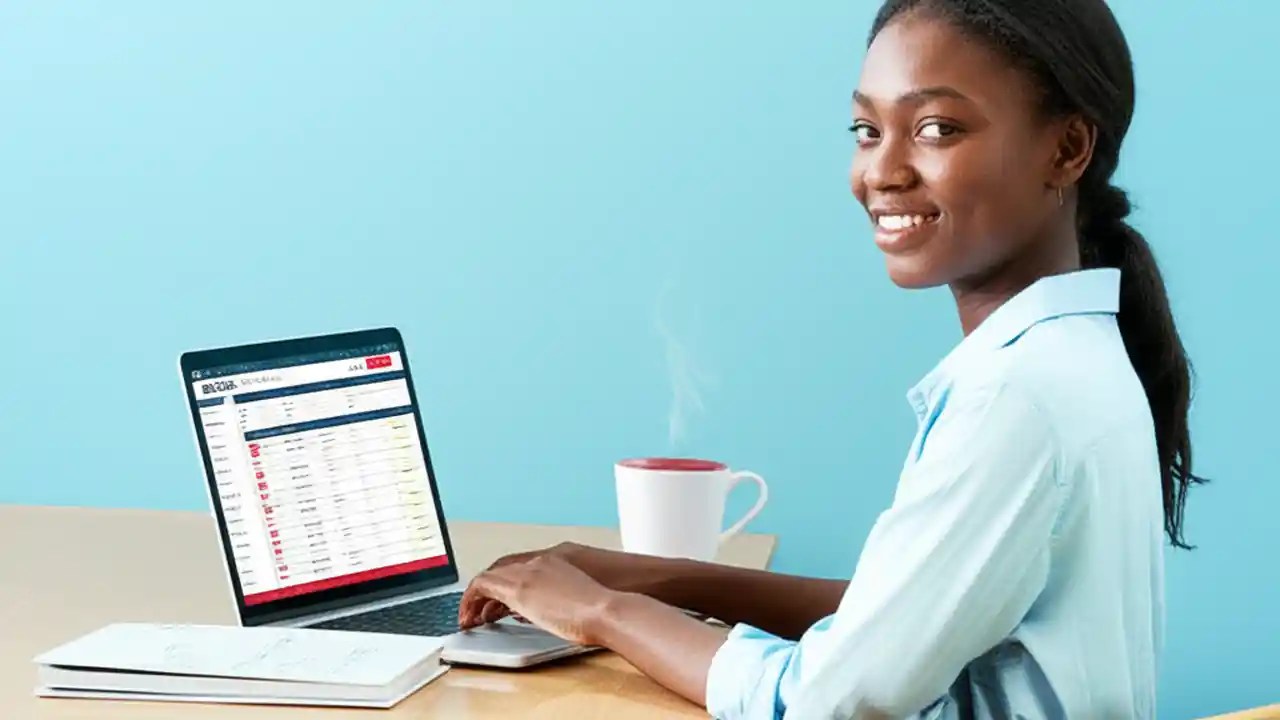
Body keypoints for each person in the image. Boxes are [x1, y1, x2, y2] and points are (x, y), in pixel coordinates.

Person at [456, 0, 1204, 717]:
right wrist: (653, 576)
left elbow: (822, 703)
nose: (882, 171)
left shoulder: (1019, 399)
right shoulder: (1071, 358)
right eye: (866, 128)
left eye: (937, 128)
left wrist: (600, 611)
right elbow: (900, 617)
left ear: (1067, 148)